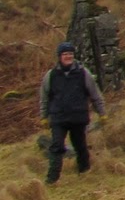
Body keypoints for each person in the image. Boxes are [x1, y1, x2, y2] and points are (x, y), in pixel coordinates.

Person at [39, 42, 106, 184]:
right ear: (59, 57)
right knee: (56, 146)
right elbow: (44, 98)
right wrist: (44, 117)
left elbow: (95, 95)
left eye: (70, 54)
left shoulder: (84, 73)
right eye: (65, 54)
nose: (68, 56)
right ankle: (52, 179)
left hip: (78, 117)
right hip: (58, 118)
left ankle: (84, 172)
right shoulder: (50, 76)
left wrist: (102, 113)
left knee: (80, 145)